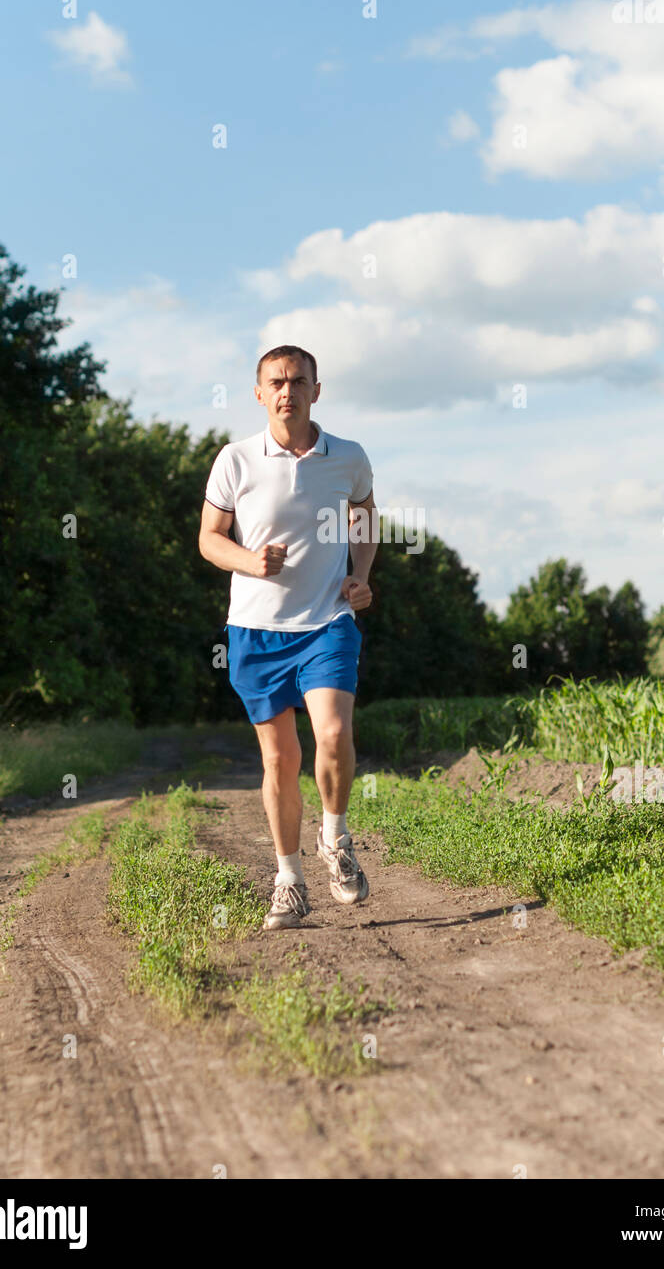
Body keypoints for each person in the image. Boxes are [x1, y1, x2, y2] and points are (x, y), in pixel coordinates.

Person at [198, 345, 378, 930]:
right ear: (258, 393)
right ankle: (290, 881)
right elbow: (208, 538)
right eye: (276, 381)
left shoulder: (346, 457)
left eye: (298, 381)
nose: (287, 391)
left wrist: (361, 575)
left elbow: (366, 515)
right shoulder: (236, 459)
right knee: (280, 759)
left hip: (327, 621)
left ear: (316, 390)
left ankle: (335, 835)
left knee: (331, 732)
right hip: (254, 631)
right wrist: (251, 563)